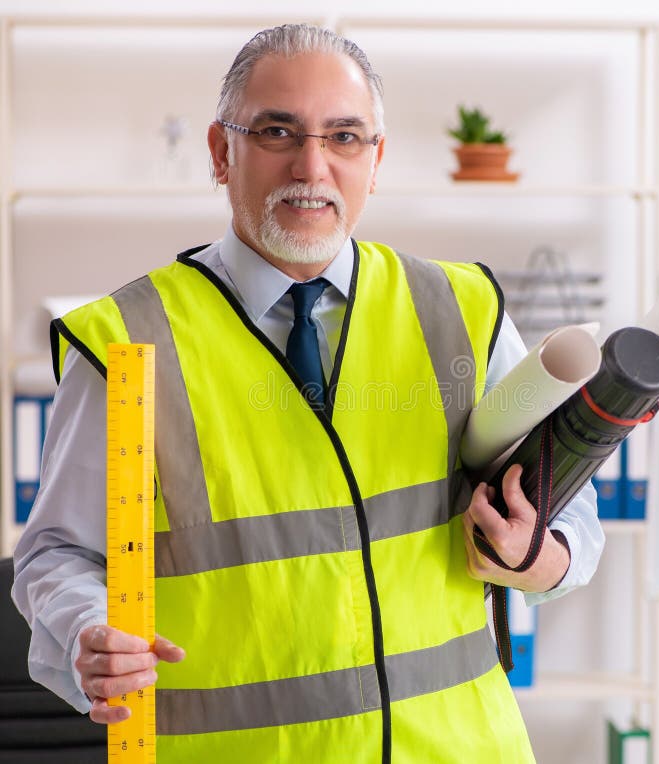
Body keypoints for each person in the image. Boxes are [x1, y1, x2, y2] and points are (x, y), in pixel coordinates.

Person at [12, 23, 604, 763]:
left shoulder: (460, 309)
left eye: (345, 136)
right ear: (221, 153)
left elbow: (570, 515)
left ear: (376, 159)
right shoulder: (130, 342)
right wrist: (85, 635)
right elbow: (56, 557)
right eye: (277, 130)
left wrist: (537, 560)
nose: (312, 165)